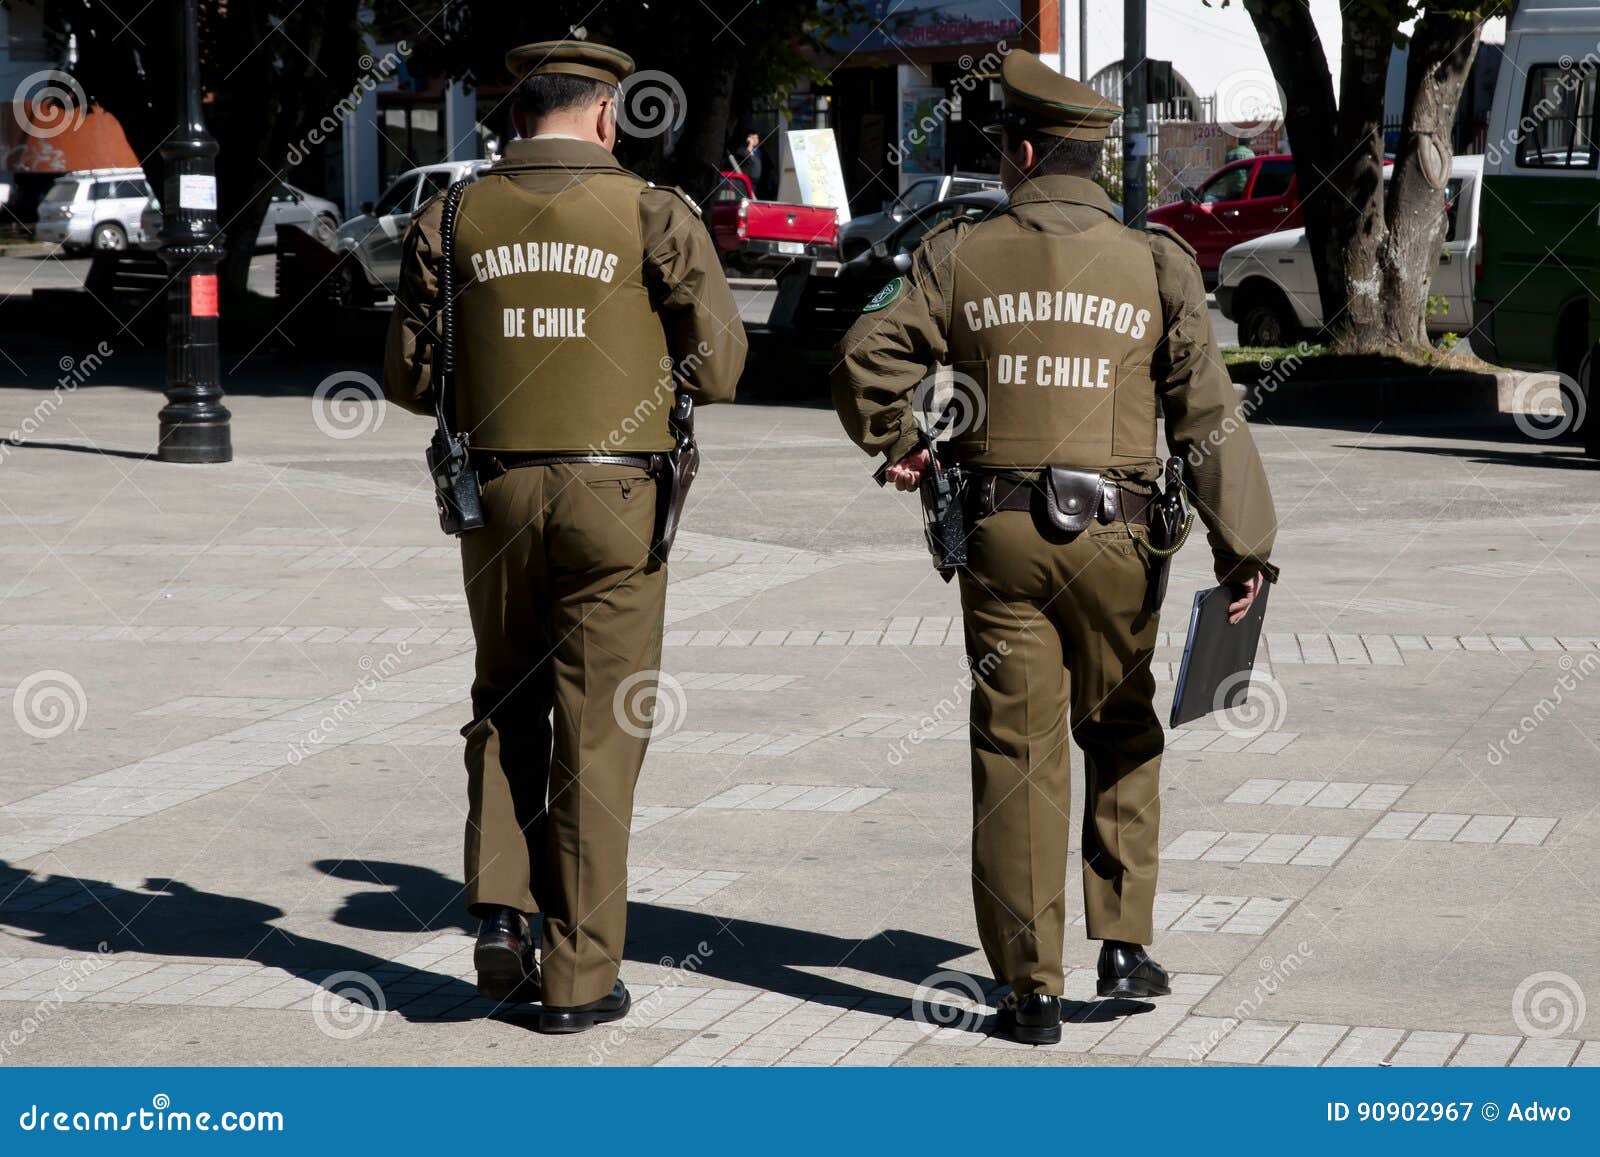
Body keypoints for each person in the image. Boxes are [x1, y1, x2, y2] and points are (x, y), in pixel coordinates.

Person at [830, 49, 1277, 1045]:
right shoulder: (1153, 260)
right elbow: (1206, 416)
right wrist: (1243, 546)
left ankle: (1029, 991)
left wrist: (900, 440)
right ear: (1090, 160)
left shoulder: (957, 251)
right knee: (1120, 723)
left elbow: (866, 356)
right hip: (1119, 537)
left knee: (1015, 748)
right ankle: (1121, 942)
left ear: (1022, 151)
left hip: (999, 535)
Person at [383, 39, 746, 1034]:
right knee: (597, 726)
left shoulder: (449, 214)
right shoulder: (649, 210)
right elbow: (718, 367)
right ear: (602, 113)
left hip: (493, 493)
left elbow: (409, 378)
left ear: (518, 109)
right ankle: (578, 978)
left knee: (503, 698)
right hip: (616, 495)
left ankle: (501, 910)